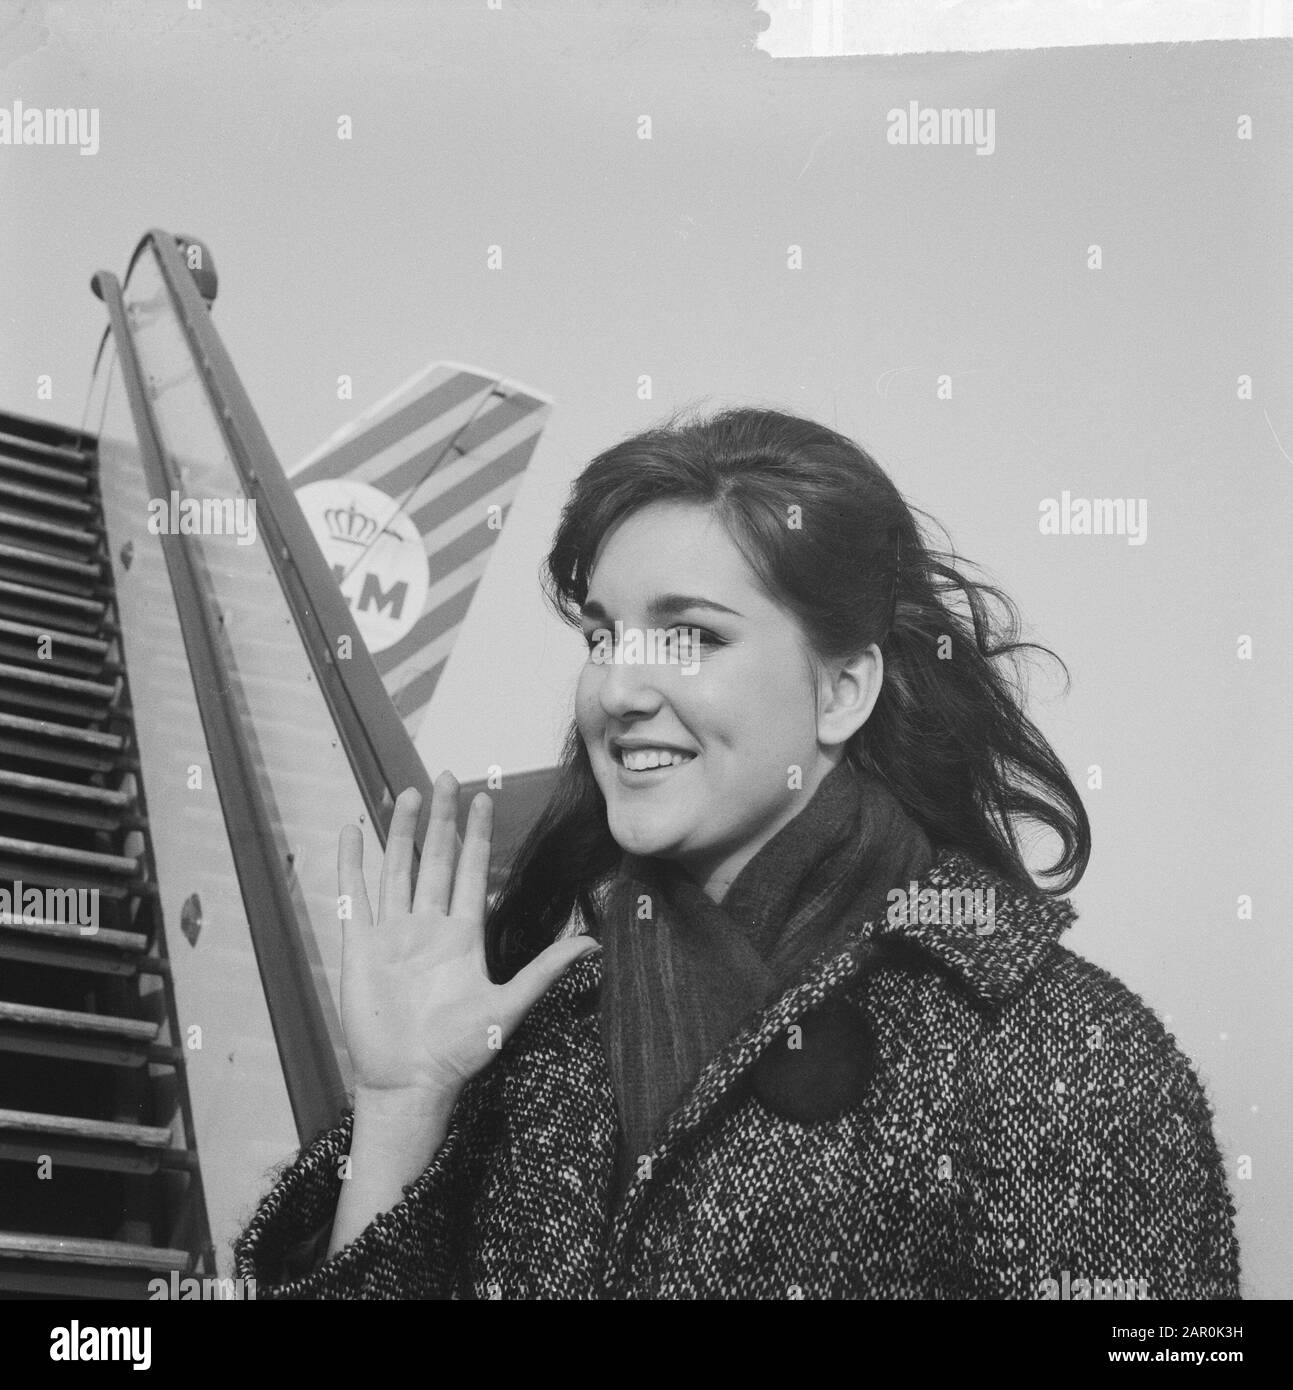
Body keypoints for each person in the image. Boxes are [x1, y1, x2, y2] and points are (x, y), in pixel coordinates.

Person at [234, 407, 1240, 1299]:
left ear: (842, 690)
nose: (618, 691)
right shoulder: (531, 1039)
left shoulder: (1058, 1049)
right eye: (601, 636)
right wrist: (402, 1102)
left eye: (691, 638)